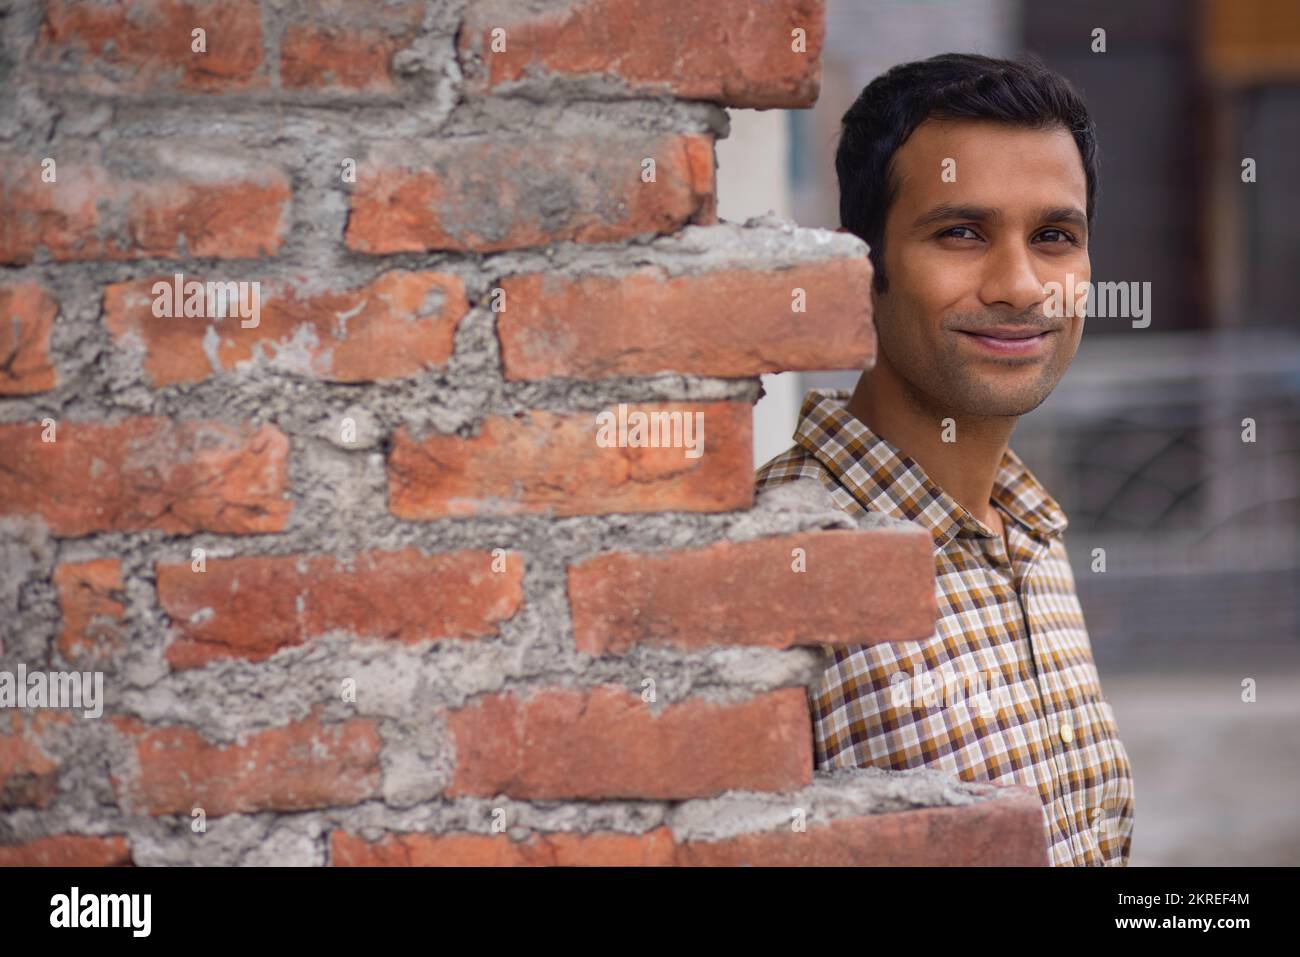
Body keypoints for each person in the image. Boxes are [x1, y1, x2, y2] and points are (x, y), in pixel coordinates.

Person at [756, 52, 1134, 866]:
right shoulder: (776, 569)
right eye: (961, 232)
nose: (1020, 285)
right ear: (864, 267)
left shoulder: (1028, 532)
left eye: (1054, 237)